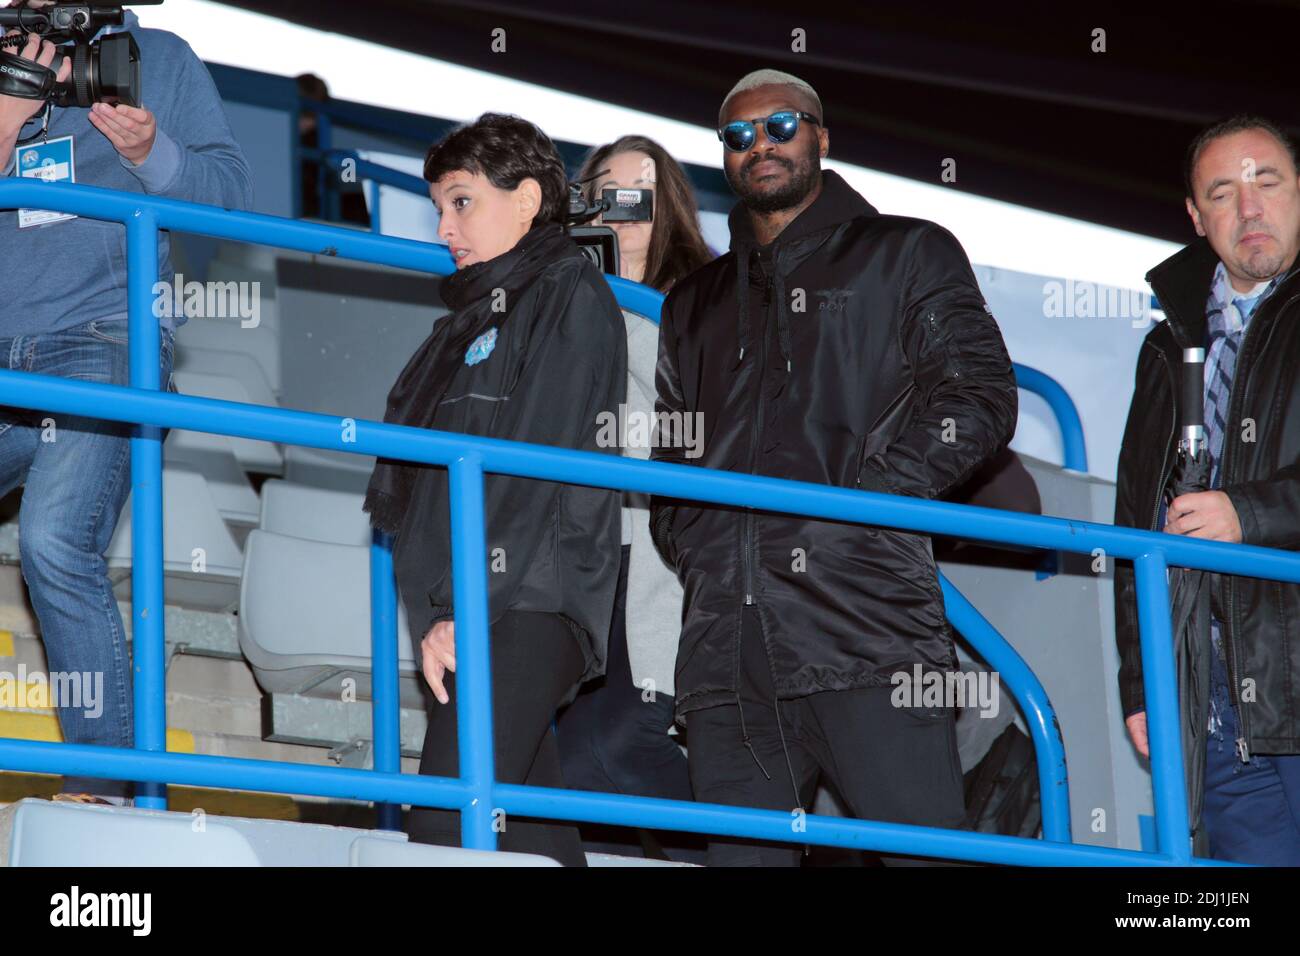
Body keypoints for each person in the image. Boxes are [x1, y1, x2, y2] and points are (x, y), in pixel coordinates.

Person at [650, 69, 1018, 866]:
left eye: (781, 125)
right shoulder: (694, 302)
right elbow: (670, 458)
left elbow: (980, 396)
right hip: (725, 657)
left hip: (866, 633)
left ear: (822, 136)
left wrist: (863, 506)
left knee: (925, 860)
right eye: (739, 135)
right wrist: (699, 542)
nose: (760, 145)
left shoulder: (907, 250)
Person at [0, 0, 253, 804]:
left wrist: (152, 153)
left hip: (103, 335)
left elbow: (228, 199)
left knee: (53, 537)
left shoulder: (158, 55)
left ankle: (103, 786)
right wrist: (8, 111)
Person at [363, 112, 627, 867]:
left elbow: (530, 465)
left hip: (524, 600)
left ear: (528, 200)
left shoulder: (568, 295)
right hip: (497, 600)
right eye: (439, 208)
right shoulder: (481, 316)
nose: (444, 227)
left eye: (462, 202)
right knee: (527, 829)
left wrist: (463, 606)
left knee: (446, 826)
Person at [1114, 115, 1300, 864]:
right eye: (1223, 193)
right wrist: (1142, 680)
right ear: (1196, 217)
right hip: (1210, 684)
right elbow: (1133, 520)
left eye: (1267, 182)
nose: (1249, 208)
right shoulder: (1167, 344)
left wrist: (1247, 514)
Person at [554, 135, 712, 861]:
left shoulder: (705, 300)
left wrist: (619, 305)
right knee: (577, 761)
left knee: (625, 740)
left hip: (659, 553)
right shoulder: (558, 298)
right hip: (586, 553)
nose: (616, 214)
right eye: (600, 197)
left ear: (668, 207)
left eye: (634, 200)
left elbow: (695, 415)